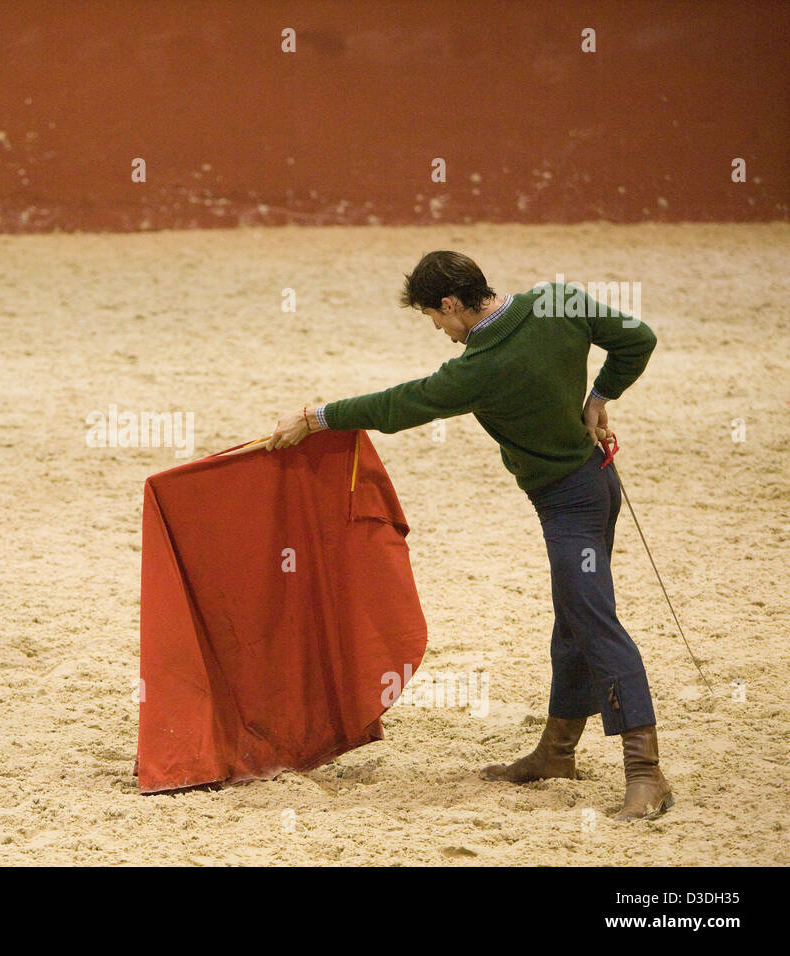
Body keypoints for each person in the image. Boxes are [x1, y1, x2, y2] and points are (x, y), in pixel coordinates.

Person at [267, 251, 672, 820]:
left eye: (436, 319)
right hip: (594, 487)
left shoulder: (478, 368)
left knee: (594, 622)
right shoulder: (557, 298)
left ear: (452, 305)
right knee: (576, 618)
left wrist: (316, 416)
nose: (440, 331)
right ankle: (557, 753)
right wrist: (601, 396)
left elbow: (399, 403)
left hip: (569, 503)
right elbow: (640, 338)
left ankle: (646, 773)